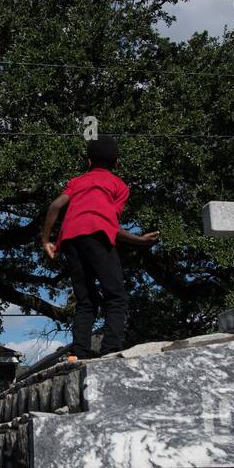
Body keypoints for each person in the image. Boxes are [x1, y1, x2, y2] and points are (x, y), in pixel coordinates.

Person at [41, 136, 160, 359]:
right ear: (116, 163)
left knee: (86, 300)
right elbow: (111, 227)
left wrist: (46, 240)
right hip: (98, 237)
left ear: (88, 162)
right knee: (116, 296)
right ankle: (111, 349)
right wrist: (140, 240)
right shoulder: (119, 186)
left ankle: (77, 353)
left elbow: (56, 205)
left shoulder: (76, 182)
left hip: (70, 240)